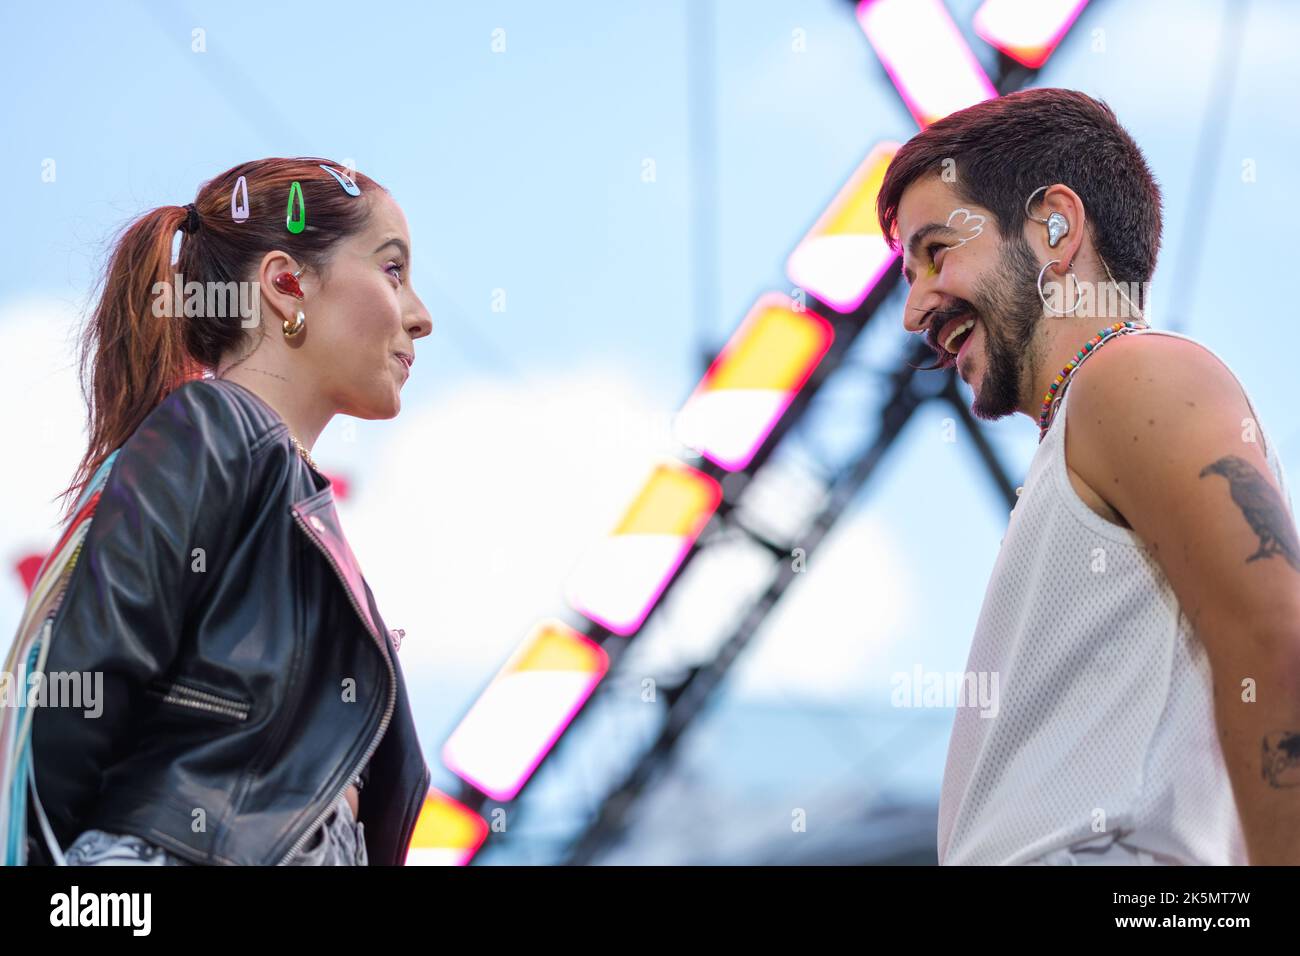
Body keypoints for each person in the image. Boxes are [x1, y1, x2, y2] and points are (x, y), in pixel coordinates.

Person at [877, 89, 1300, 865]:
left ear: (1054, 228)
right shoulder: (1094, 414)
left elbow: (1279, 644)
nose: (914, 311)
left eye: (937, 252)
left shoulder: (1134, 376)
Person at [2, 157, 433, 865]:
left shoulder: (277, 484)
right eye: (393, 270)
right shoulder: (215, 428)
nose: (420, 317)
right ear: (287, 285)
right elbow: (77, 697)